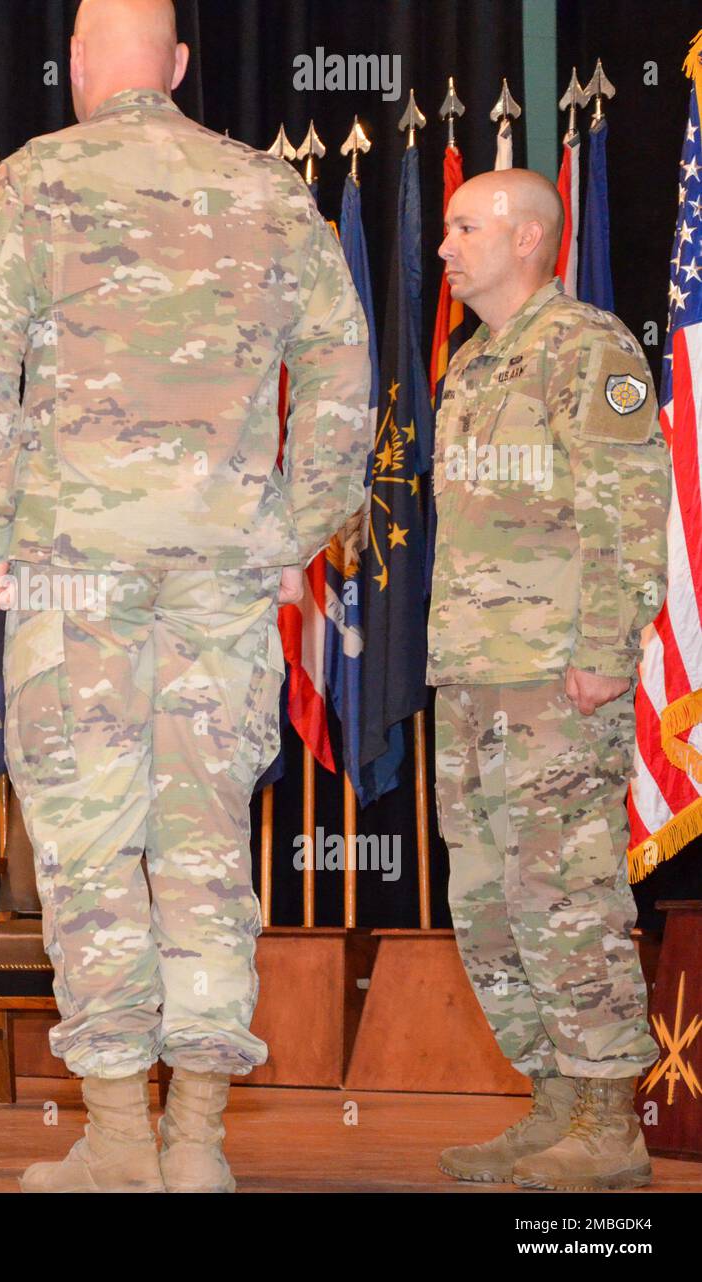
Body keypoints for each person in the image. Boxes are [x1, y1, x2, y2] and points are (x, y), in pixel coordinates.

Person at [0, 0, 371, 1193]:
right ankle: (199, 1142)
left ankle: (120, 1140)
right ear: (175, 66)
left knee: (87, 852)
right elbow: (341, 365)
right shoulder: (270, 189)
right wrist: (297, 523)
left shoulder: (32, 182)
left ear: (78, 65)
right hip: (225, 572)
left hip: (73, 574)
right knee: (204, 848)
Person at [430, 168, 669, 1190]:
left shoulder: (588, 348)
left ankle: (609, 1126)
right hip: (472, 676)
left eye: (463, 226)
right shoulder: (472, 364)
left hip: (553, 679)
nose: (444, 246)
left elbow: (625, 508)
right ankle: (553, 1105)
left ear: (529, 239)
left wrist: (602, 653)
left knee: (566, 894)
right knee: (486, 901)